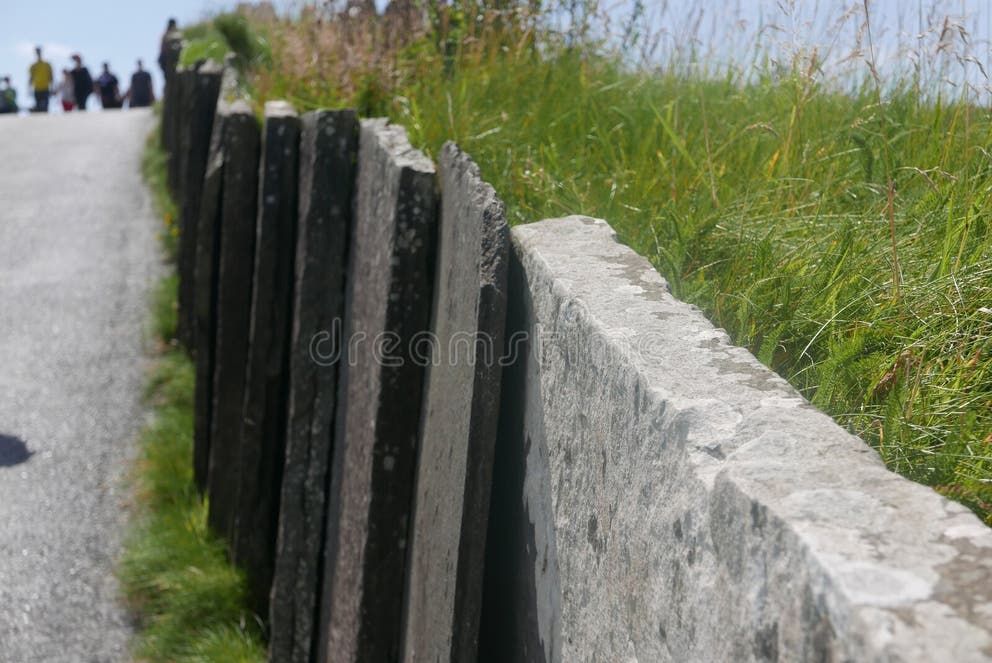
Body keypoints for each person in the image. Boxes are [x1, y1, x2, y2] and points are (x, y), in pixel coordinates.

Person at [28, 46, 53, 113]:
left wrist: (52, 88)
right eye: (37, 52)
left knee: (45, 107)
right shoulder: (33, 66)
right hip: (37, 88)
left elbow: (51, 77)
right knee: (38, 107)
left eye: (39, 52)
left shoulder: (47, 65)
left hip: (45, 88)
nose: (38, 53)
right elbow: (31, 78)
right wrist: (29, 89)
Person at [158, 18, 182, 85]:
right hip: (166, 59)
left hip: (173, 59)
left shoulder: (174, 33)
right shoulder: (166, 34)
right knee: (169, 79)